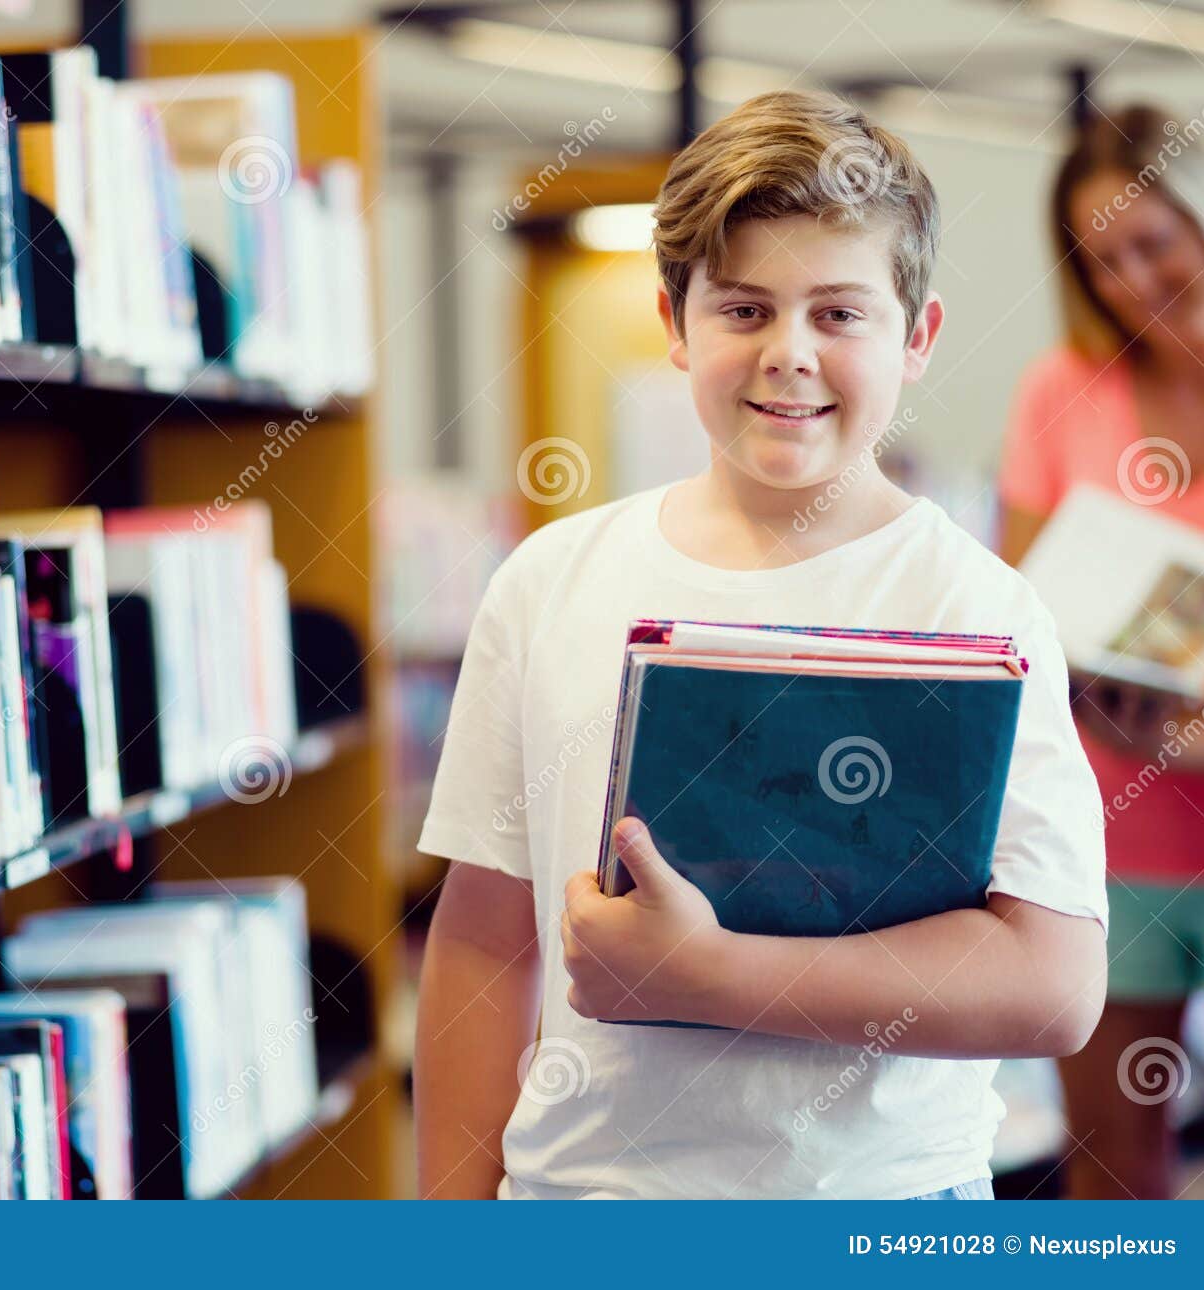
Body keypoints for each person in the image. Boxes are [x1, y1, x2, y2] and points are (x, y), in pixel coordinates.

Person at [413, 90, 1109, 1200]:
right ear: (675, 321)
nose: (789, 355)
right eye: (743, 310)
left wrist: (709, 974)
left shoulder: (979, 610)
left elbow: (1053, 986)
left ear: (915, 338)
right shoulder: (550, 582)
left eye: (839, 314)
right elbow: (483, 945)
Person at [999, 104, 1204, 1200]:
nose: (1131, 278)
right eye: (1101, 258)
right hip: (1112, 836)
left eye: (1153, 242)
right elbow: (1024, 612)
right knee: (1115, 1173)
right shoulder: (1058, 390)